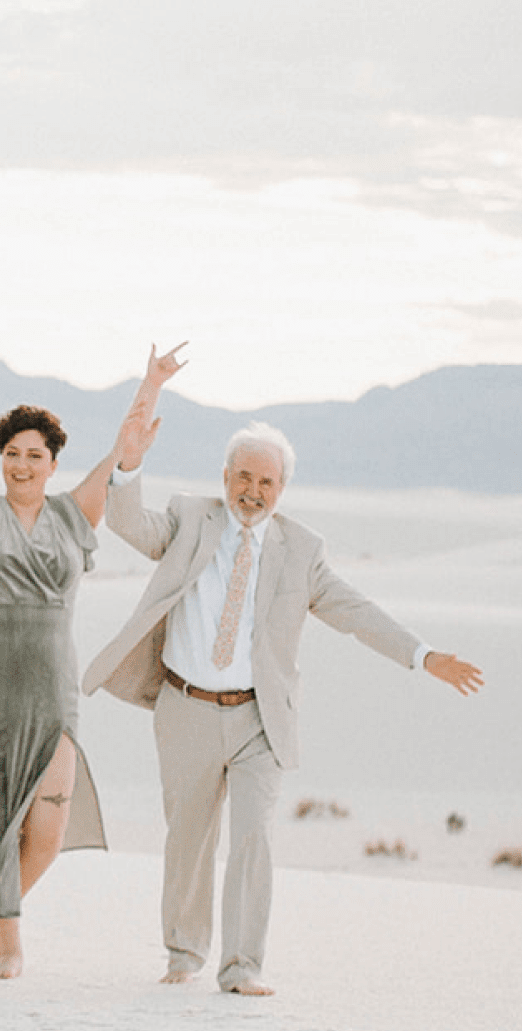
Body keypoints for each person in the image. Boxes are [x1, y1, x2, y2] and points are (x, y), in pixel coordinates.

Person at [82, 368, 484, 996]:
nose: (253, 490)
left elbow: (355, 612)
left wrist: (423, 655)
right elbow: (130, 526)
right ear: (225, 478)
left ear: (282, 489)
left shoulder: (303, 551)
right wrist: (128, 467)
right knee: (188, 839)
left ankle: (242, 968)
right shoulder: (191, 520)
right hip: (185, 707)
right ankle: (184, 955)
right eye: (244, 477)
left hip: (258, 720)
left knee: (253, 840)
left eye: (267, 481)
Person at [0, 305, 168, 979]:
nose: (22, 464)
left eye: (35, 455)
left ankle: (4, 921)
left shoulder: (70, 512)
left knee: (48, 824)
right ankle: (7, 934)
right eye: (11, 454)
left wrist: (152, 382)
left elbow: (126, 445)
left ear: (53, 463)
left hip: (49, 675)